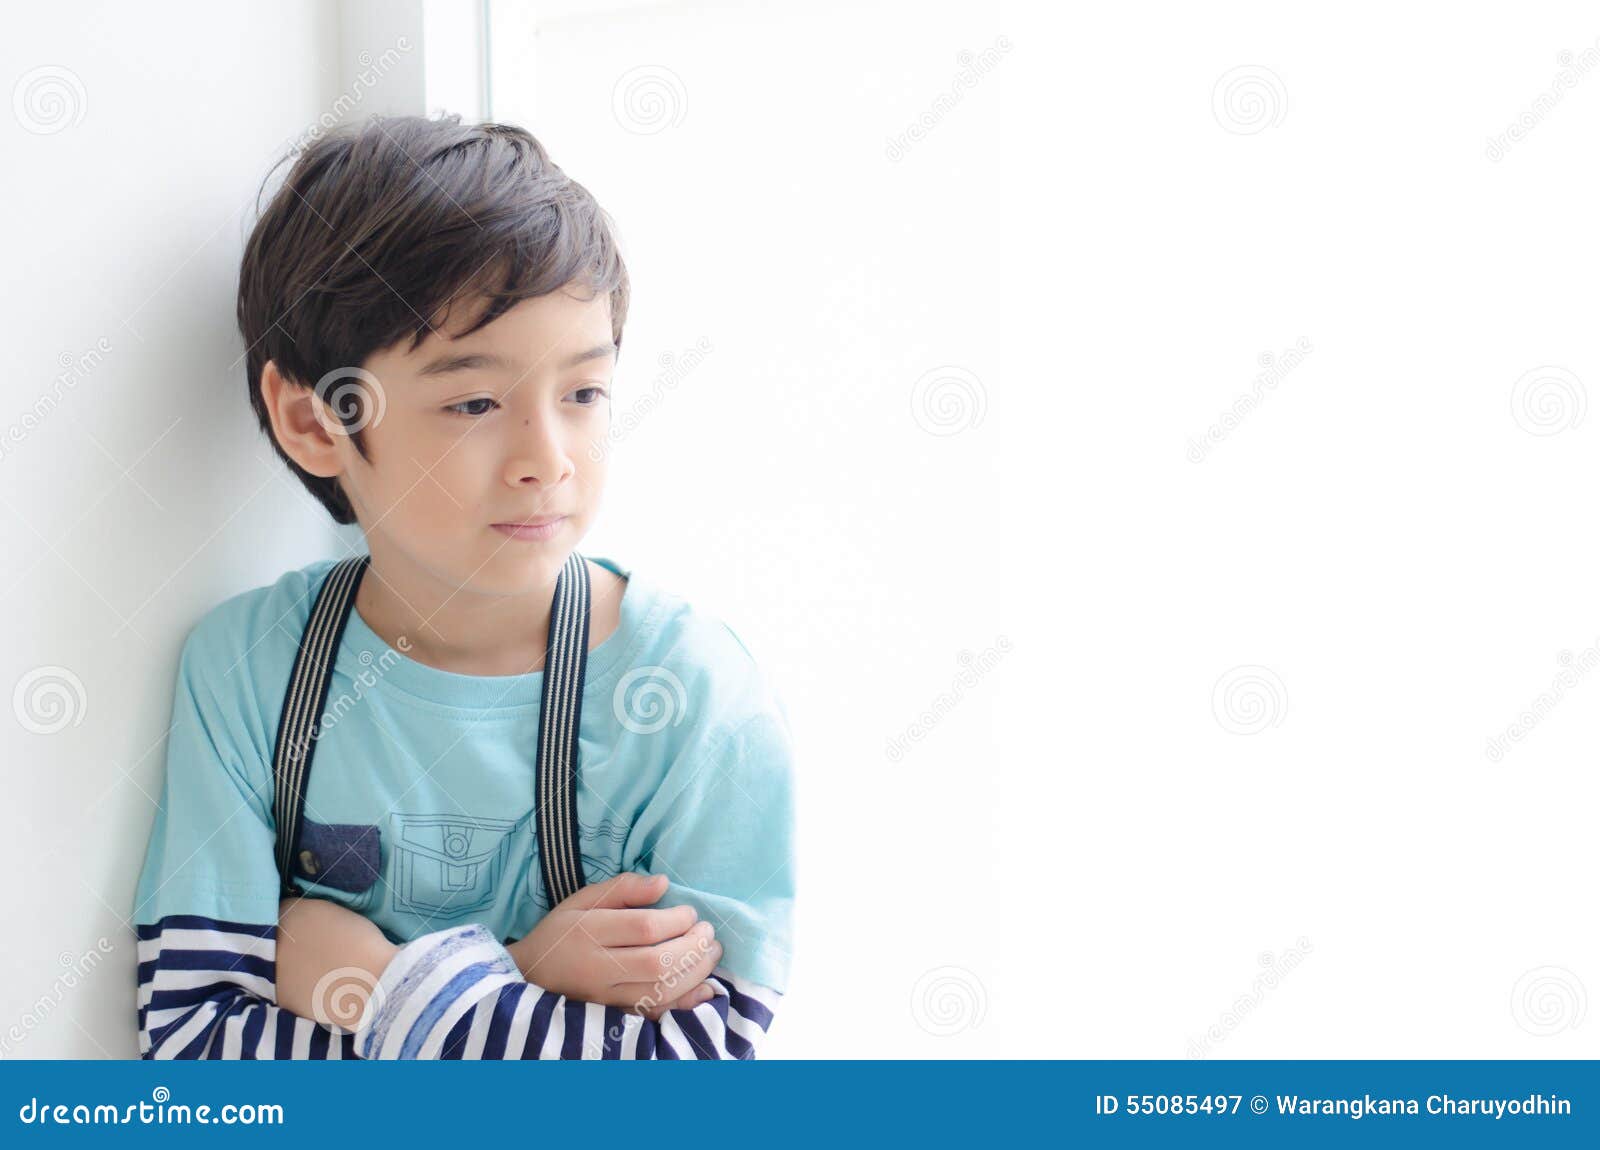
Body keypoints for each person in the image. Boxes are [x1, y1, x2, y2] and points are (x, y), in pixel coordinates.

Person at [131, 114, 794, 1059]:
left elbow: (690, 1081)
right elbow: (198, 1047)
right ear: (316, 423)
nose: (546, 459)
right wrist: (528, 973)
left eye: (583, 393)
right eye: (475, 403)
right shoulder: (248, 669)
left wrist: (378, 981)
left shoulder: (695, 699)